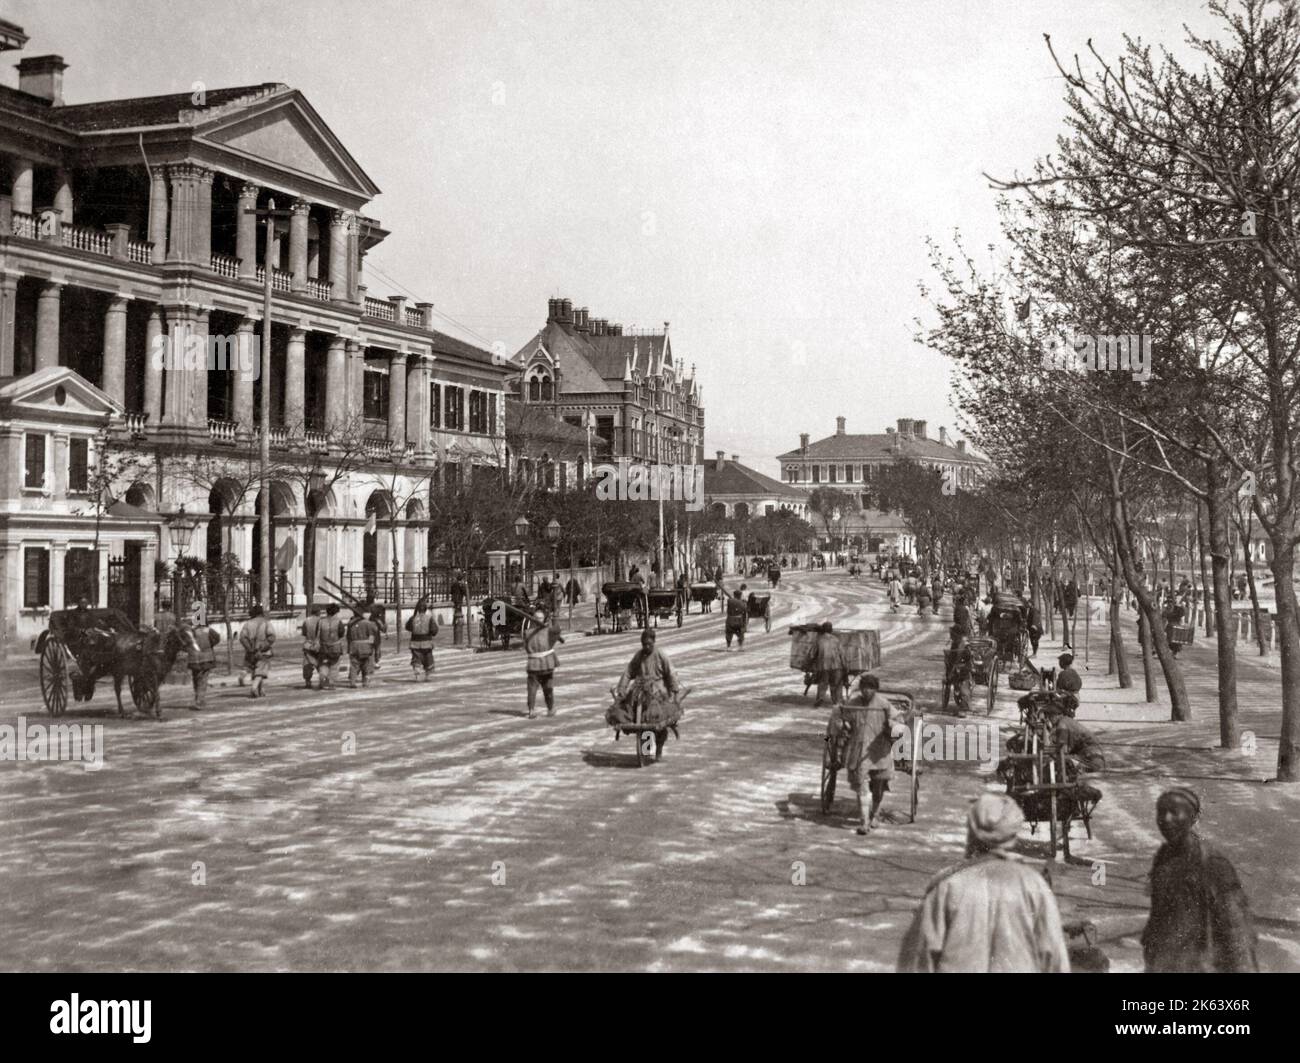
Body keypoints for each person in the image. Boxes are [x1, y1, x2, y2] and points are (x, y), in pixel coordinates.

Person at [897, 793, 1070, 973]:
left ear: (971, 833)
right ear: (1013, 835)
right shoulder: (1034, 885)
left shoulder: (947, 885)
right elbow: (1055, 958)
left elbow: (918, 958)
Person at [1141, 788, 1258, 972]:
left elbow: (1236, 929)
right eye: (1161, 812)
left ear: (1193, 818)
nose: (1166, 819)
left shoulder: (1212, 864)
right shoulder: (1163, 857)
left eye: (1174, 811)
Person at [834, 674, 906, 833]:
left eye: (870, 688)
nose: (867, 691)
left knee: (878, 788)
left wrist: (892, 725)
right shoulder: (853, 704)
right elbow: (843, 720)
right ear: (860, 689)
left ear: (875, 689)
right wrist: (843, 724)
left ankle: (875, 813)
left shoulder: (884, 705)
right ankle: (864, 822)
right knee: (862, 787)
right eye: (864, 688)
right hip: (859, 752)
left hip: (880, 753)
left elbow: (899, 722)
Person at [615, 628, 682, 761]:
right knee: (633, 713)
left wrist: (675, 692)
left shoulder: (661, 655)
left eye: (649, 644)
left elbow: (671, 673)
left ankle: (658, 749)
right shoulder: (639, 656)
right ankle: (645, 752)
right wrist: (622, 688)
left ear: (654, 642)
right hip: (640, 690)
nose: (646, 647)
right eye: (644, 644)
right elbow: (628, 672)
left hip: (658, 691)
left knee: (658, 720)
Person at [522, 605, 564, 718]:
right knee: (548, 688)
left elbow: (526, 647)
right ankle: (550, 709)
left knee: (532, 689)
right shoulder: (548, 632)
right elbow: (557, 630)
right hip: (546, 664)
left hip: (533, 665)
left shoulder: (527, 633)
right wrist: (551, 621)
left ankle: (531, 710)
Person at [238, 604, 275, 698]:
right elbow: (271, 637)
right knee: (260, 671)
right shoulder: (266, 623)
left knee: (253, 668)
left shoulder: (248, 623)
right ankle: (254, 688)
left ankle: (260, 690)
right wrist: (263, 646)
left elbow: (242, 638)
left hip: (250, 651)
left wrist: (249, 649)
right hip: (263, 652)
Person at [185, 613, 221, 710]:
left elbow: (186, 643)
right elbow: (217, 638)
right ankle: (200, 701)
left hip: (194, 659)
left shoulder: (192, 632)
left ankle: (198, 697)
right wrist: (210, 645)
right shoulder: (209, 631)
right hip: (207, 658)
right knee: (203, 680)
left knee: (196, 679)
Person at [813, 621, 846, 707]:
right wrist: (845, 665)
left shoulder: (819, 640)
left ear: (823, 630)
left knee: (823, 682)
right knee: (837, 684)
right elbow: (842, 654)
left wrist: (808, 663)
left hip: (824, 666)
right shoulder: (836, 640)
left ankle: (820, 697)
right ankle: (837, 700)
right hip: (837, 666)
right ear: (831, 630)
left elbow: (812, 654)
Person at [405, 599, 439, 681]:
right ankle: (428, 675)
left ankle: (417, 675)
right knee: (428, 658)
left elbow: (408, 627)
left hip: (415, 643)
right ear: (425, 609)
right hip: (427, 642)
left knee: (416, 658)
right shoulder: (429, 618)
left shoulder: (413, 618)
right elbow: (434, 630)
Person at [347, 609, 378, 688]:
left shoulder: (350, 624)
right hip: (366, 646)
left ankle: (352, 682)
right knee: (366, 665)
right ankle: (365, 682)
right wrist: (372, 645)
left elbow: (348, 636)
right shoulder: (368, 623)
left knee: (354, 665)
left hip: (354, 646)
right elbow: (373, 633)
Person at [317, 603, 346, 689]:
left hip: (323, 646)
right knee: (334, 665)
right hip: (335, 646)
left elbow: (317, 634)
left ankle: (323, 675)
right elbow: (341, 634)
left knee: (323, 664)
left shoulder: (321, 621)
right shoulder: (338, 622)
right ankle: (331, 682)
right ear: (336, 612)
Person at [301, 602, 328, 689]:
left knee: (308, 664)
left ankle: (308, 681)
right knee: (321, 663)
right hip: (319, 645)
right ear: (319, 612)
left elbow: (304, 633)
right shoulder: (322, 621)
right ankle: (322, 680)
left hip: (308, 645)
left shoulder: (306, 620)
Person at [368, 602, 387, 669]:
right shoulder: (377, 619)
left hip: (371, 635)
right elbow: (383, 629)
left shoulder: (371, 617)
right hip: (375, 635)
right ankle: (375, 662)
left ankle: (373, 662)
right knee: (376, 648)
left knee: (372, 648)